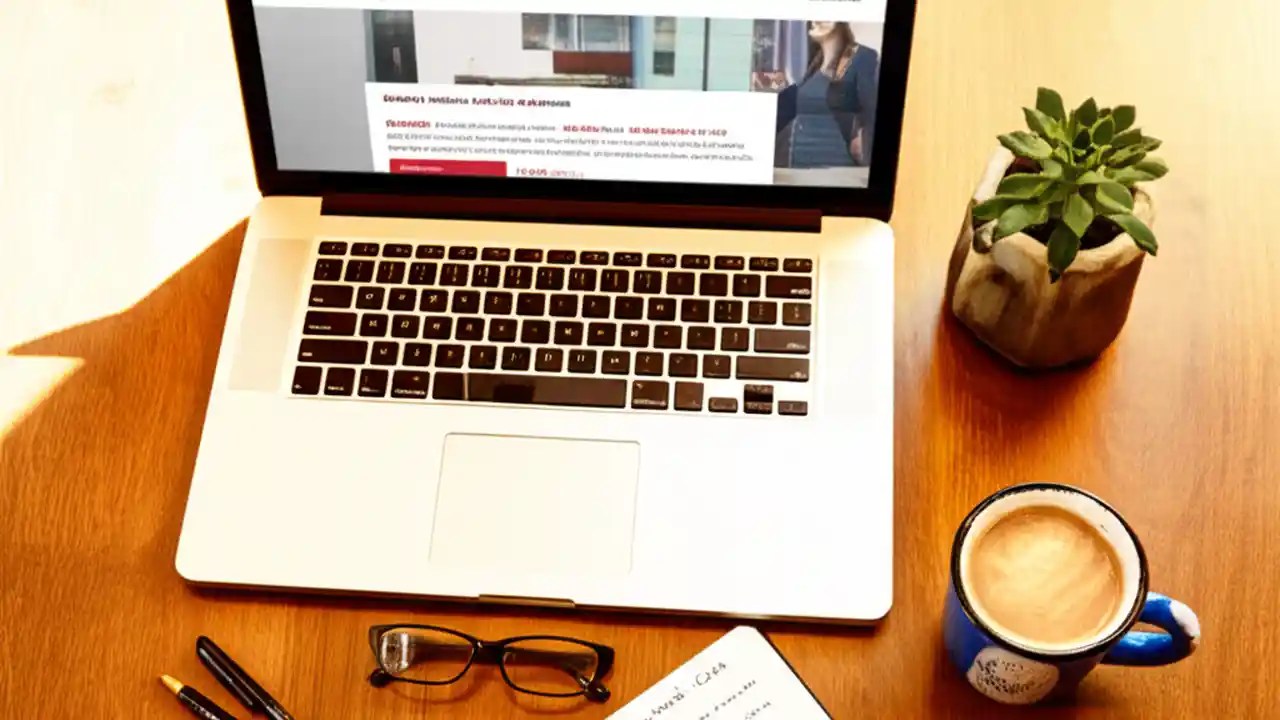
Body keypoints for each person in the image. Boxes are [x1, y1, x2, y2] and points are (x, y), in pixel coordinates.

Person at [764, 22, 880, 169]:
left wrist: (864, 144)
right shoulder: (811, 63)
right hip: (797, 161)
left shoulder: (862, 56)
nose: (815, 21)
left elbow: (872, 110)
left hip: (836, 162)